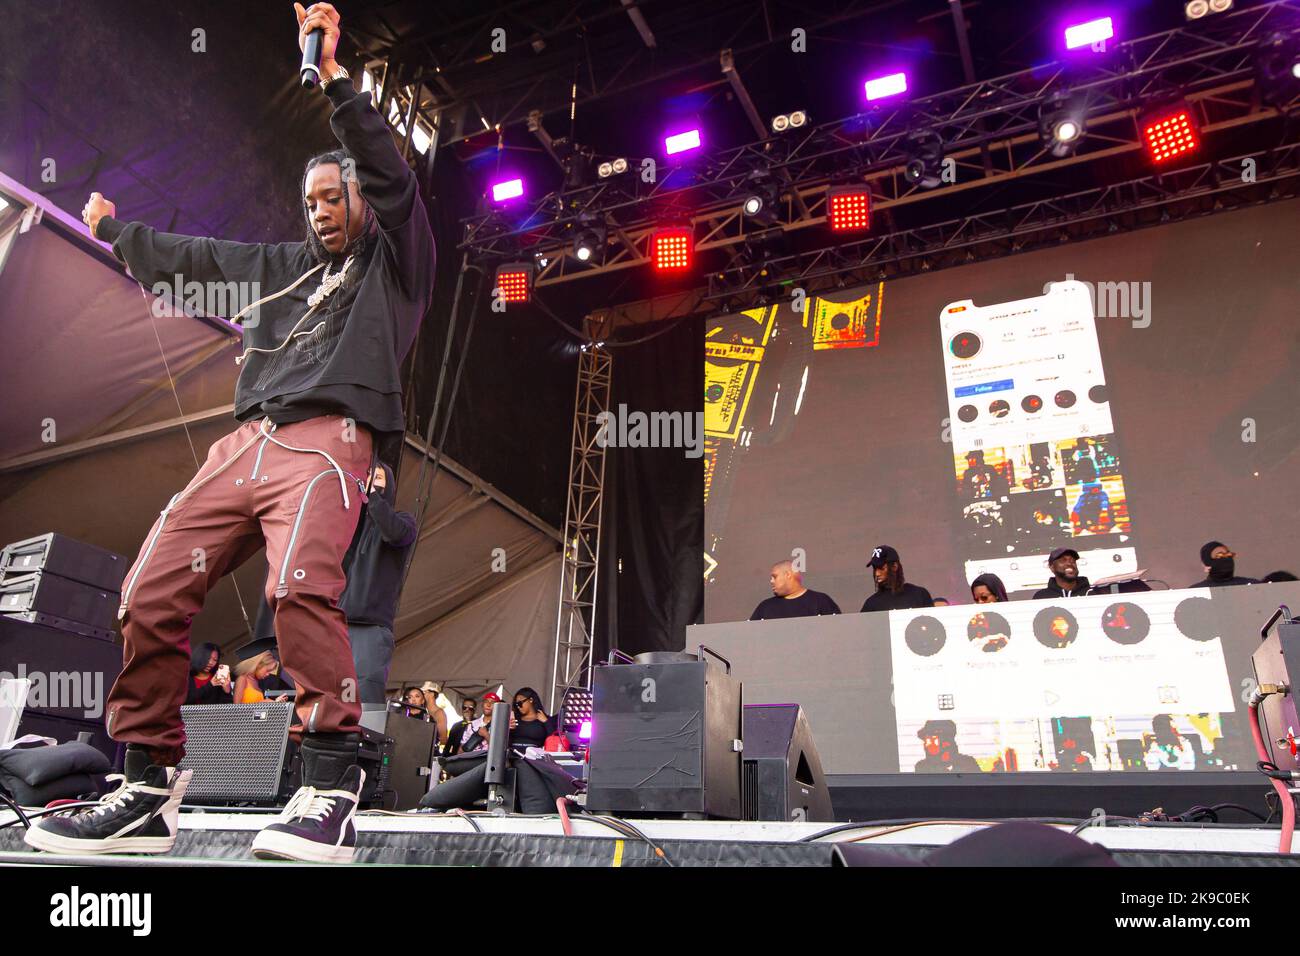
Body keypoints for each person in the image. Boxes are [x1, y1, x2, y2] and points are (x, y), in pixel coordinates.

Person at [29, 3, 436, 864]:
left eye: (336, 196)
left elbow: (391, 173)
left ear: (362, 199)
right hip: (244, 442)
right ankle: (144, 789)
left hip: (331, 441)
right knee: (148, 591)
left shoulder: (397, 263)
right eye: (311, 201)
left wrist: (330, 80)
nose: (322, 211)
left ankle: (331, 782)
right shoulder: (286, 270)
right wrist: (113, 233)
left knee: (297, 592)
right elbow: (201, 257)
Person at [340, 461, 416, 727]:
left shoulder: (403, 521)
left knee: (366, 700)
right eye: (368, 476)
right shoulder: (352, 525)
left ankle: (365, 758)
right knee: (330, 693)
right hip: (339, 623)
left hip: (371, 627)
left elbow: (393, 530)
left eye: (379, 477)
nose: (371, 480)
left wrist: (374, 496)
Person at [420, 688, 574, 813]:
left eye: (520, 703)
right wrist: (507, 728)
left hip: (534, 759)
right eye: (516, 704)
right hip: (512, 756)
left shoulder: (545, 719)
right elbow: (501, 741)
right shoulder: (514, 720)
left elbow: (556, 739)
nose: (518, 706)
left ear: (531, 700)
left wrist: (546, 722)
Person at [749, 560, 840, 620]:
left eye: (774, 577)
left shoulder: (821, 601)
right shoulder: (765, 607)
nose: (771, 581)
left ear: (788, 575)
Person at [860, 545, 933, 612]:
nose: (877, 574)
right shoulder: (871, 604)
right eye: (875, 568)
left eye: (882, 568)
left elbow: (932, 624)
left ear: (894, 566)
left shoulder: (919, 594)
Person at [1188, 541, 1258, 589]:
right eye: (1219, 555)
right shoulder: (1196, 592)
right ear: (1206, 563)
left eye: (1229, 554)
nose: (1227, 558)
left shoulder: (1252, 586)